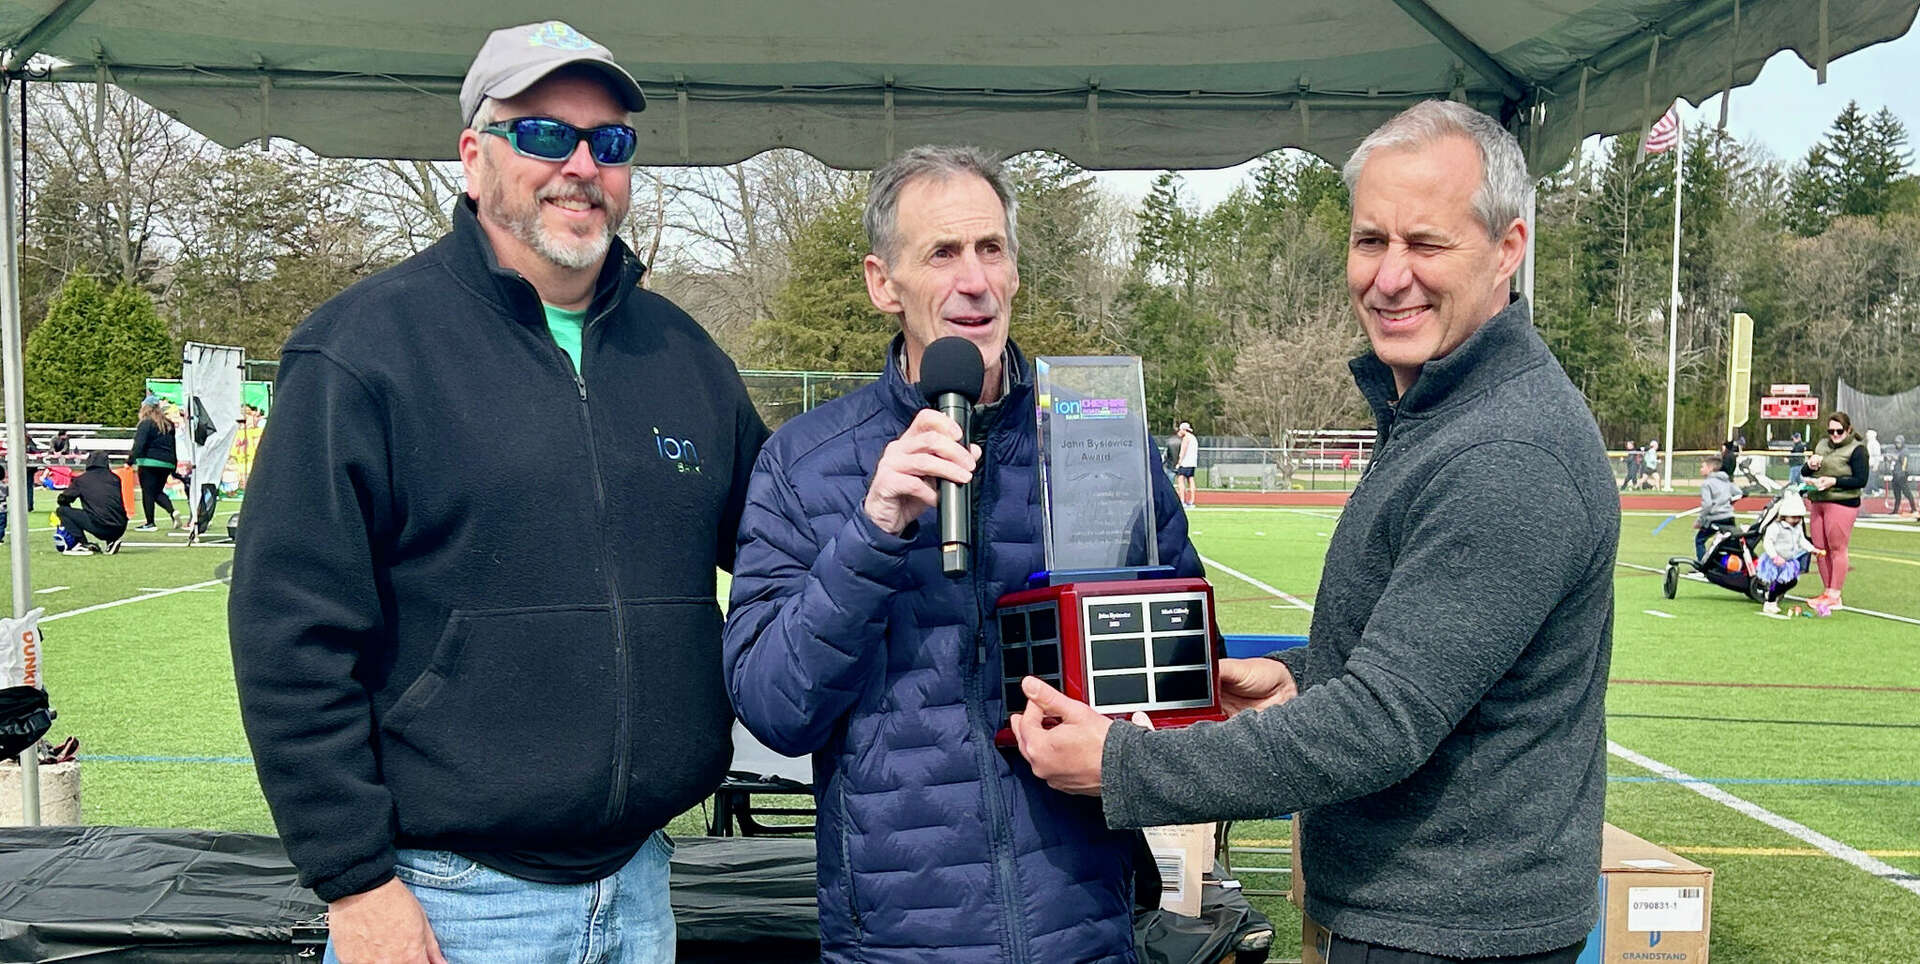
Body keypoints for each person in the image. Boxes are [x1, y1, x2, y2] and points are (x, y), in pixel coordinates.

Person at [1014, 101, 1616, 963]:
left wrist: (1124, 766)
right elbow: (1428, 664)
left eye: (1427, 244)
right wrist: (1305, 673)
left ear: (1508, 248)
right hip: (1417, 917)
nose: (1390, 275)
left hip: (1445, 932)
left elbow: (1381, 723)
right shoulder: (1446, 410)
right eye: (1371, 240)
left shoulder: (1505, 449)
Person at [228, 20, 767, 964]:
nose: (582, 164)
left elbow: (776, 541)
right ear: (475, 158)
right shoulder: (362, 353)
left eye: (611, 141)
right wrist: (356, 882)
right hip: (450, 900)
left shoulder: (685, 355)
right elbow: (290, 637)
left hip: (642, 886)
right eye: (545, 134)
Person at [723, 145, 1203, 964]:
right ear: (885, 283)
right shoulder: (803, 463)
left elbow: (1185, 665)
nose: (973, 280)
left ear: (1015, 271)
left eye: (991, 249)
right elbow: (774, 706)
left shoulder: (1100, 442)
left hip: (1082, 931)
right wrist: (872, 533)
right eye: (941, 253)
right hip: (900, 940)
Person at [1802, 412, 1869, 615]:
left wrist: (1834, 481)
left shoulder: (1857, 450)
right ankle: (1827, 591)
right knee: (1820, 549)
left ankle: (1835, 594)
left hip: (1842, 503)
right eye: (1831, 431)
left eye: (1839, 431)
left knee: (1837, 547)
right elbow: (1806, 472)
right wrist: (1810, 467)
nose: (1834, 435)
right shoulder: (1822, 445)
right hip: (1819, 500)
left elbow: (1861, 480)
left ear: (1848, 430)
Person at [1754, 490, 1822, 616]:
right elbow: (1768, 542)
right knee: (1778, 582)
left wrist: (1812, 549)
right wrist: (1774, 556)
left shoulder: (1797, 527)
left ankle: (1772, 596)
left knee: (1791, 581)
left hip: (1788, 561)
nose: (1796, 520)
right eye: (1793, 517)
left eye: (1798, 517)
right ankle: (1770, 602)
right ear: (1784, 515)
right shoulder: (1775, 527)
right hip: (1775, 560)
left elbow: (1802, 540)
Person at [55, 452, 127, 556]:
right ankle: (111, 542)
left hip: (100, 526)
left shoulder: (82, 479)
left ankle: (83, 543)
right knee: (108, 510)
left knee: (62, 511)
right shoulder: (115, 478)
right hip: (120, 527)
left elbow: (63, 499)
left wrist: (66, 503)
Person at [127, 396, 179, 531]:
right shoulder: (168, 425)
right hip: (167, 463)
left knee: (148, 493)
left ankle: (150, 522)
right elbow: (173, 446)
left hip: (149, 462)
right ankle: (172, 512)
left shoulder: (145, 423)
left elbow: (139, 445)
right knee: (156, 492)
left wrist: (130, 461)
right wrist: (173, 465)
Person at [1694, 455, 1739, 561]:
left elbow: (1707, 505)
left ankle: (1702, 566)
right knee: (1729, 543)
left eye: (1702, 467)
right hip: (1729, 517)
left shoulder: (1707, 484)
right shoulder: (1726, 481)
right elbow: (1738, 493)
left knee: (1699, 540)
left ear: (1710, 468)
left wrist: (1699, 521)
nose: (1701, 469)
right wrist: (1727, 503)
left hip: (1716, 519)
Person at [1174, 419, 1200, 507]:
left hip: (1185, 463)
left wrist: (1179, 462)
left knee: (1180, 480)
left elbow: (1183, 451)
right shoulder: (1194, 438)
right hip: (1192, 463)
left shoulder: (1186, 438)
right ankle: (1192, 501)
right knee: (1191, 480)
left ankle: (1182, 500)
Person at [1890, 434, 1915, 517]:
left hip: (1901, 475)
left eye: (1899, 442)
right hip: (1895, 474)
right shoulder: (1896, 450)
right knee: (1897, 494)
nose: (1897, 444)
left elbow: (1904, 463)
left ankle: (1914, 508)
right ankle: (1895, 510)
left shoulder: (1904, 451)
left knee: (1907, 492)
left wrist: (1903, 473)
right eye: (1896, 442)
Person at [1864, 428, 1884, 498]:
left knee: (1872, 479)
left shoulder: (1875, 443)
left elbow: (1877, 455)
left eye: (1868, 435)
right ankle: (1868, 491)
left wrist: (1876, 465)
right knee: (1869, 479)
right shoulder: (1869, 443)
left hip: (1874, 464)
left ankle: (1877, 490)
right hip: (1870, 464)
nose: (1866, 436)